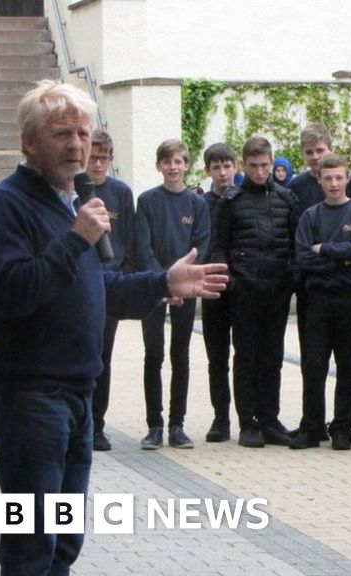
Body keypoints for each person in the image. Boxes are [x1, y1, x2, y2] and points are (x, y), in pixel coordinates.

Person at [0, 79, 226, 576]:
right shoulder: (5, 206)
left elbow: (99, 290)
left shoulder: (71, 205)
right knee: (31, 544)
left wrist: (162, 281)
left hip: (77, 395)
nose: (75, 145)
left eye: (83, 134)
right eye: (61, 133)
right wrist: (75, 240)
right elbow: (14, 291)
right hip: (27, 398)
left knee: (65, 541)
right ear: (29, 142)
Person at [210, 136, 299, 449]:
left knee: (272, 358)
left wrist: (291, 278)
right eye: (254, 166)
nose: (260, 171)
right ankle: (249, 423)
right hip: (244, 291)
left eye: (265, 165)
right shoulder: (231, 200)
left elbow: (295, 245)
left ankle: (270, 420)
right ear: (243, 166)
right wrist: (231, 280)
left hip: (277, 290)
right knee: (246, 357)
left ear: (272, 163)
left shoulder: (287, 199)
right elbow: (218, 247)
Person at [292, 153, 351, 450]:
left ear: (348, 178)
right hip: (318, 300)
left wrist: (323, 248)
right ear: (320, 180)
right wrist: (341, 259)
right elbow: (302, 258)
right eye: (328, 178)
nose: (334, 183)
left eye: (339, 177)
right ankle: (312, 427)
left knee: (349, 365)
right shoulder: (310, 216)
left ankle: (342, 427)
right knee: (314, 365)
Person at [134, 139, 211, 450]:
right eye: (167, 161)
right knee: (153, 355)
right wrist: (162, 283)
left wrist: (181, 283)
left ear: (186, 165)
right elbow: (143, 246)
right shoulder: (147, 200)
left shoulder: (197, 204)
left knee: (181, 356)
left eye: (178, 161)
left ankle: (177, 425)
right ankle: (155, 425)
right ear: (159, 166)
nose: (173, 167)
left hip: (185, 289)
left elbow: (200, 246)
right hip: (153, 288)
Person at [87, 128, 136, 452]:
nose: (98, 164)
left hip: (112, 283)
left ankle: (98, 425)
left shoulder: (120, 192)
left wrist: (128, 278)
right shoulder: (77, 189)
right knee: (82, 356)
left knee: (103, 358)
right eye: (93, 158)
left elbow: (128, 240)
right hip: (81, 285)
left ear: (111, 159)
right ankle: (81, 422)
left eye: (103, 158)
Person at [200, 142, 239, 442]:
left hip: (242, 288)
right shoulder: (202, 204)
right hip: (212, 287)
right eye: (217, 167)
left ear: (236, 167)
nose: (223, 172)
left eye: (227, 166)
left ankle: (249, 416)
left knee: (246, 356)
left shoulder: (242, 199)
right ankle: (220, 417)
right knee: (217, 357)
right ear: (208, 171)